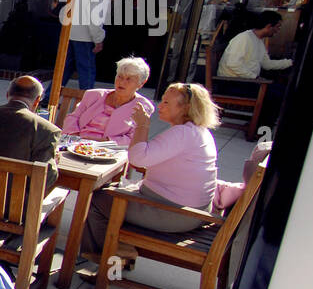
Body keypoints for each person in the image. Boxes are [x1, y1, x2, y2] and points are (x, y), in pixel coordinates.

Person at [81, 83, 220, 258]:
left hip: (174, 213)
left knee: (97, 199)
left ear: (186, 108)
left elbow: (138, 158)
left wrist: (142, 125)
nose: (160, 106)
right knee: (111, 190)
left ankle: (110, 255)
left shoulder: (182, 134)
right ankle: (114, 250)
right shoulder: (198, 132)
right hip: (192, 211)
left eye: (167, 103)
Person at [60, 56, 155, 148]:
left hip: (110, 151)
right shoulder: (94, 95)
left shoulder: (143, 106)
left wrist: (102, 143)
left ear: (141, 83)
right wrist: (76, 138)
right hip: (76, 145)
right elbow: (73, 117)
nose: (122, 82)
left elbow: (134, 138)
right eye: (120, 77)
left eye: (129, 79)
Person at [58, 0, 115, 92]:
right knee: (87, 71)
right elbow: (96, 17)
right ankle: (87, 103)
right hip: (85, 36)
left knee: (64, 69)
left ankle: (47, 99)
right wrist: (98, 39)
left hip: (71, 31)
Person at [219, 11, 293, 79]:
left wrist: (290, 63)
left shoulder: (259, 40)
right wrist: (254, 77)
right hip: (233, 81)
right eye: (277, 27)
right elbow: (232, 63)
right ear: (269, 26)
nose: (278, 30)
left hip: (247, 80)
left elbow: (266, 64)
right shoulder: (245, 38)